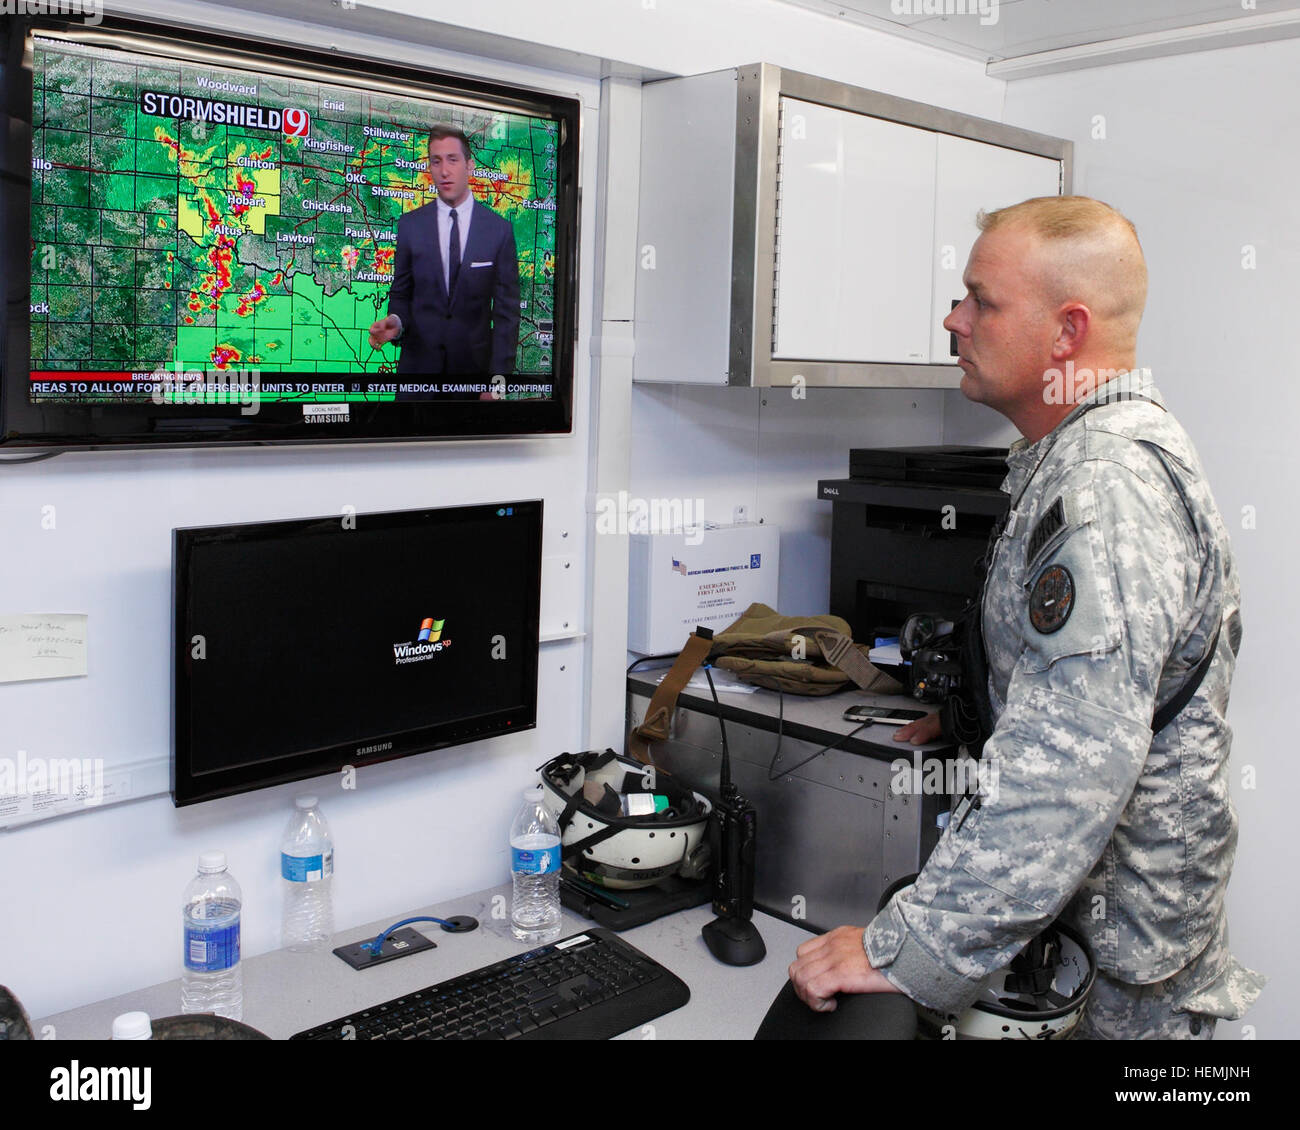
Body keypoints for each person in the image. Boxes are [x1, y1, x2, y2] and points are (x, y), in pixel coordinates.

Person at [788, 195, 1265, 1039]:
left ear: (1067, 331)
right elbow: (1093, 696)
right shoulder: (1074, 457)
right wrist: (988, 697)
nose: (953, 319)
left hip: (1119, 980)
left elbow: (1065, 772)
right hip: (1078, 939)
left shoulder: (1106, 490)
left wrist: (909, 947)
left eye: (981, 300)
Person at [369, 125, 520, 377]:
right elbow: (401, 294)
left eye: (453, 160)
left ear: (470, 166)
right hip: (417, 382)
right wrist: (395, 322)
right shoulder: (410, 225)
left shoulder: (498, 231)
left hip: (472, 382)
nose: (445, 171)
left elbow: (507, 315)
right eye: (436, 161)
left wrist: (497, 384)